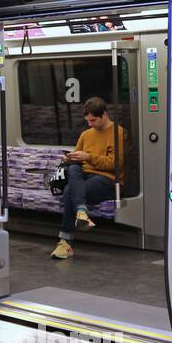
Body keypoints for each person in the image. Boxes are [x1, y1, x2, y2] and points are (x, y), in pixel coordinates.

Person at [51, 97, 126, 260]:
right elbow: (79, 159)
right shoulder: (86, 134)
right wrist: (71, 158)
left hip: (107, 179)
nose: (90, 124)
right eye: (88, 121)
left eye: (93, 120)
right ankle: (82, 211)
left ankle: (65, 242)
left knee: (69, 191)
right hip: (84, 176)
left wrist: (88, 156)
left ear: (104, 114)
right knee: (73, 168)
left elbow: (115, 164)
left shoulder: (117, 132)